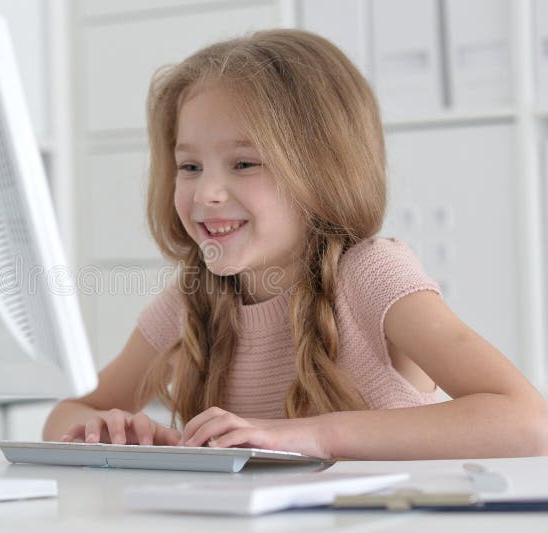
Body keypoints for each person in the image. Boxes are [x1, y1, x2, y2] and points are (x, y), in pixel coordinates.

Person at [42, 29, 548, 459]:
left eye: (244, 164)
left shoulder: (371, 274)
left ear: (322, 171)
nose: (206, 194)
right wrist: (106, 433)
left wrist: (315, 435)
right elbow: (67, 414)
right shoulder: (193, 296)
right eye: (189, 167)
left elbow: (528, 422)